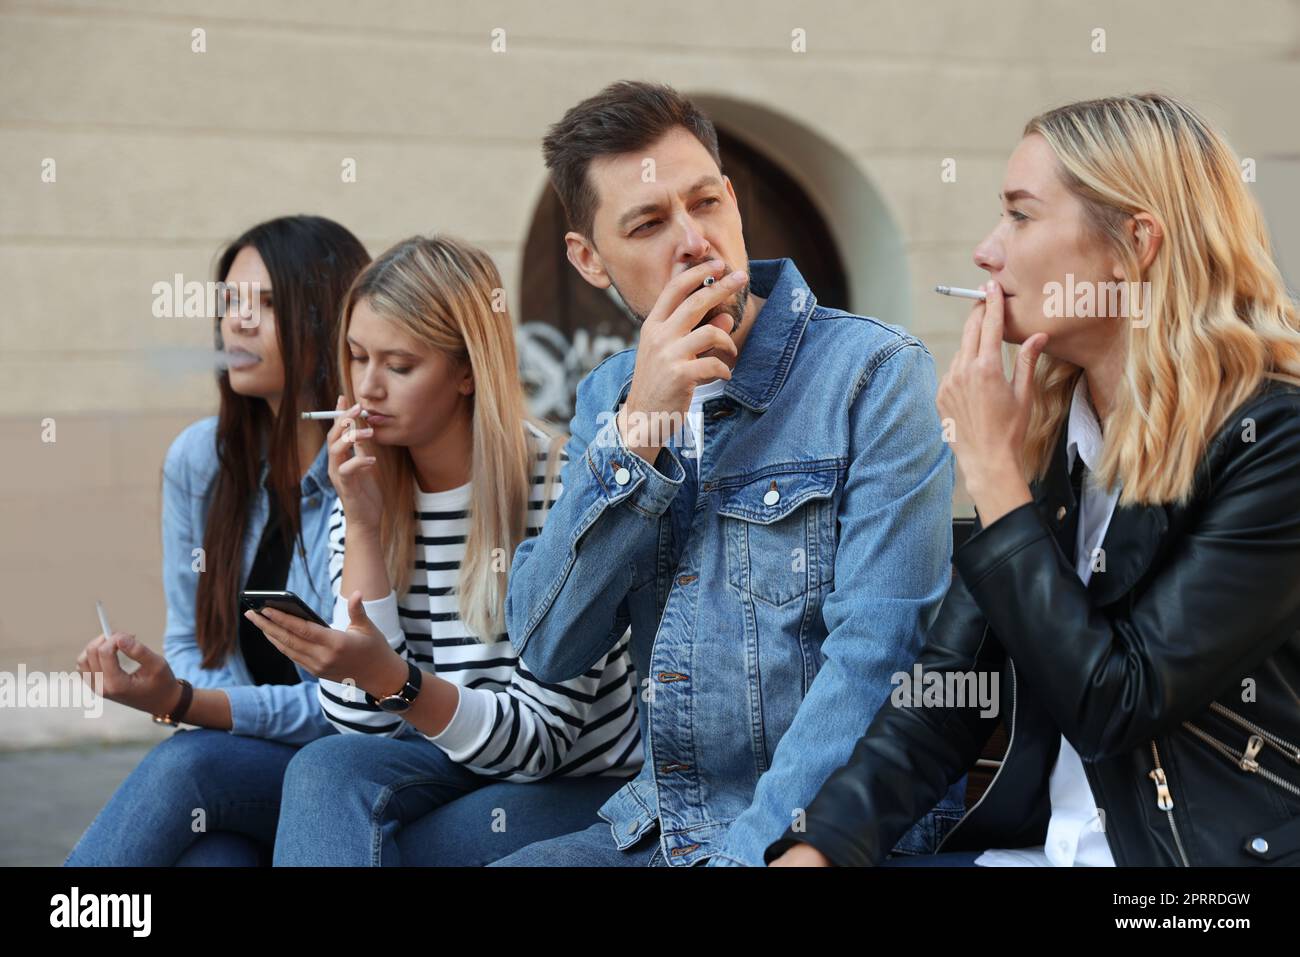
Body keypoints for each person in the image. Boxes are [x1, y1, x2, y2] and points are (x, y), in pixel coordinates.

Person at [766, 93, 1300, 867]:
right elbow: (942, 701)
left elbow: (1119, 701)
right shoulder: (1055, 432)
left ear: (1134, 245)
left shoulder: (1272, 437)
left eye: (1020, 215)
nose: (987, 251)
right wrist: (817, 847)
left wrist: (992, 472)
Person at [488, 80, 966, 868]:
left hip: (823, 836)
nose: (693, 241)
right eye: (646, 223)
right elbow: (548, 646)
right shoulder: (611, 395)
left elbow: (877, 654)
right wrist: (639, 433)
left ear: (734, 202)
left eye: (705, 203)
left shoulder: (874, 373)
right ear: (589, 258)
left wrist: (749, 855)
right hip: (660, 825)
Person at [246, 235, 642, 865]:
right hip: (443, 761)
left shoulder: (564, 486)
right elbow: (362, 728)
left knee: (400, 845)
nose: (367, 389)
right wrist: (366, 526)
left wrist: (394, 681)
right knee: (321, 768)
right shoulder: (363, 479)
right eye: (355, 357)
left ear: (466, 372)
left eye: (398, 366)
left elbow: (538, 745)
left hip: (570, 784)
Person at [66, 215, 370, 865]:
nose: (238, 322)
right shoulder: (199, 461)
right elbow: (191, 640)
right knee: (215, 857)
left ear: (329, 319)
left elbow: (363, 697)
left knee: (191, 767)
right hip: (246, 759)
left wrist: (193, 706)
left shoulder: (372, 471)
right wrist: (199, 702)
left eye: (265, 304)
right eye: (229, 303)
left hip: (355, 763)